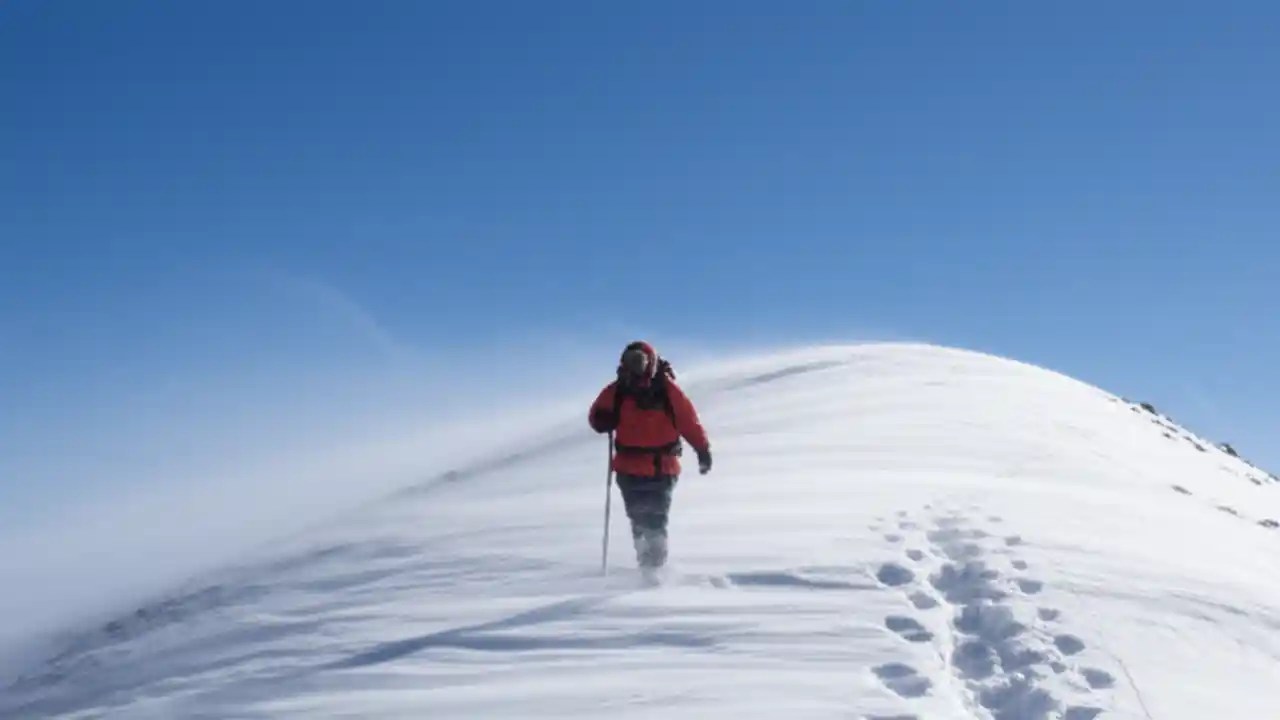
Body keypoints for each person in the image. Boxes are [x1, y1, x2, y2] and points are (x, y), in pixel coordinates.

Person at [589, 341, 712, 569]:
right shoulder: (617, 390)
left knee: (655, 520)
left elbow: (688, 420)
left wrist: (702, 449)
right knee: (637, 520)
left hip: (661, 468)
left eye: (640, 360)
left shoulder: (666, 390)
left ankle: (654, 571)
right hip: (628, 469)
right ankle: (646, 565)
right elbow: (596, 414)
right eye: (630, 361)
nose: (635, 367)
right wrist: (601, 421)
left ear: (650, 362)